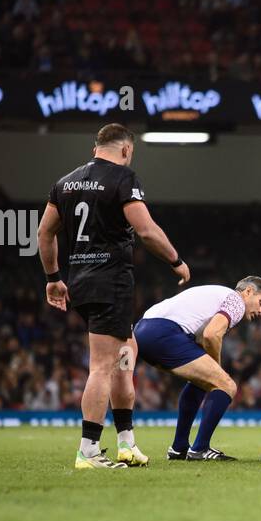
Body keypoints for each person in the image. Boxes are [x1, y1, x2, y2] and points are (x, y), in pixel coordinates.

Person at [37, 123, 190, 469]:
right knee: (103, 366)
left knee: (127, 353)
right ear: (125, 150)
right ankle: (88, 450)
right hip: (111, 283)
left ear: (95, 148)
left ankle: (126, 443)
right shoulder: (123, 178)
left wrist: (52, 278)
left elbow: (44, 233)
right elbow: (146, 230)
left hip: (80, 283)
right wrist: (176, 261)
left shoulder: (65, 182)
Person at [133, 278, 261, 461]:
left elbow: (203, 337)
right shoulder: (236, 301)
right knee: (226, 385)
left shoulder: (217, 296)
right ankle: (200, 449)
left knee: (200, 383)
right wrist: (218, 373)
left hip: (143, 330)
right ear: (248, 291)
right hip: (164, 333)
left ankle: (179, 447)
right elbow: (211, 334)